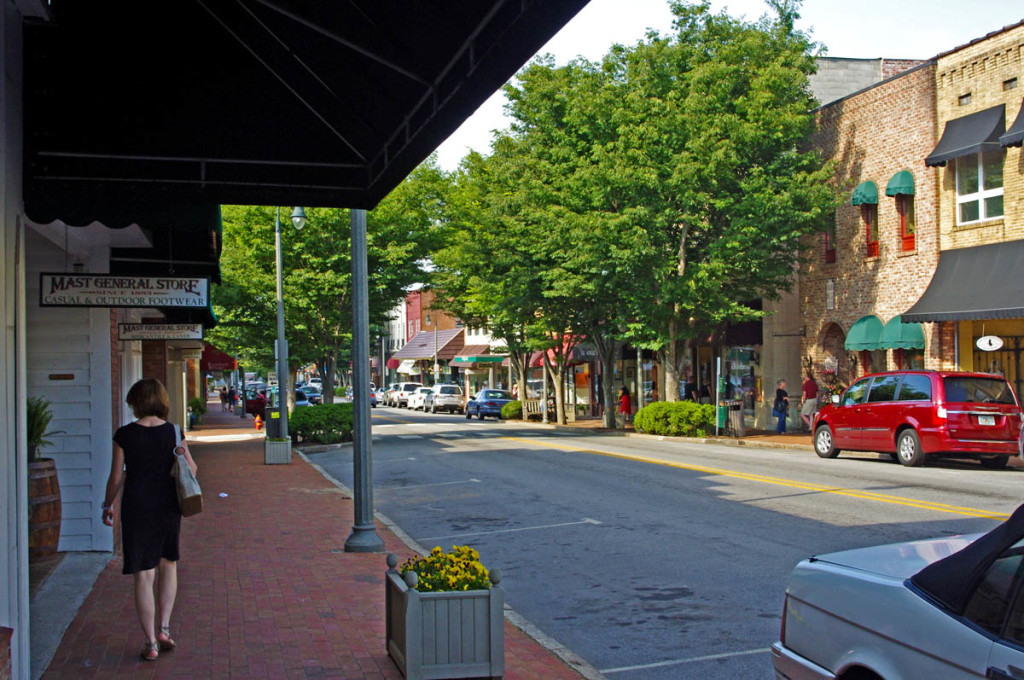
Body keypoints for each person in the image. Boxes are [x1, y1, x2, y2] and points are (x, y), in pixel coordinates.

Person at [102, 378, 198, 662]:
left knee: (144, 573)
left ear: (136, 402)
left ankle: (149, 643)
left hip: (137, 505)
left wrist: (107, 505)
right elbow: (191, 468)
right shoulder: (173, 431)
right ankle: (164, 629)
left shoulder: (124, 435)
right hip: (168, 504)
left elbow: (117, 477)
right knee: (168, 563)